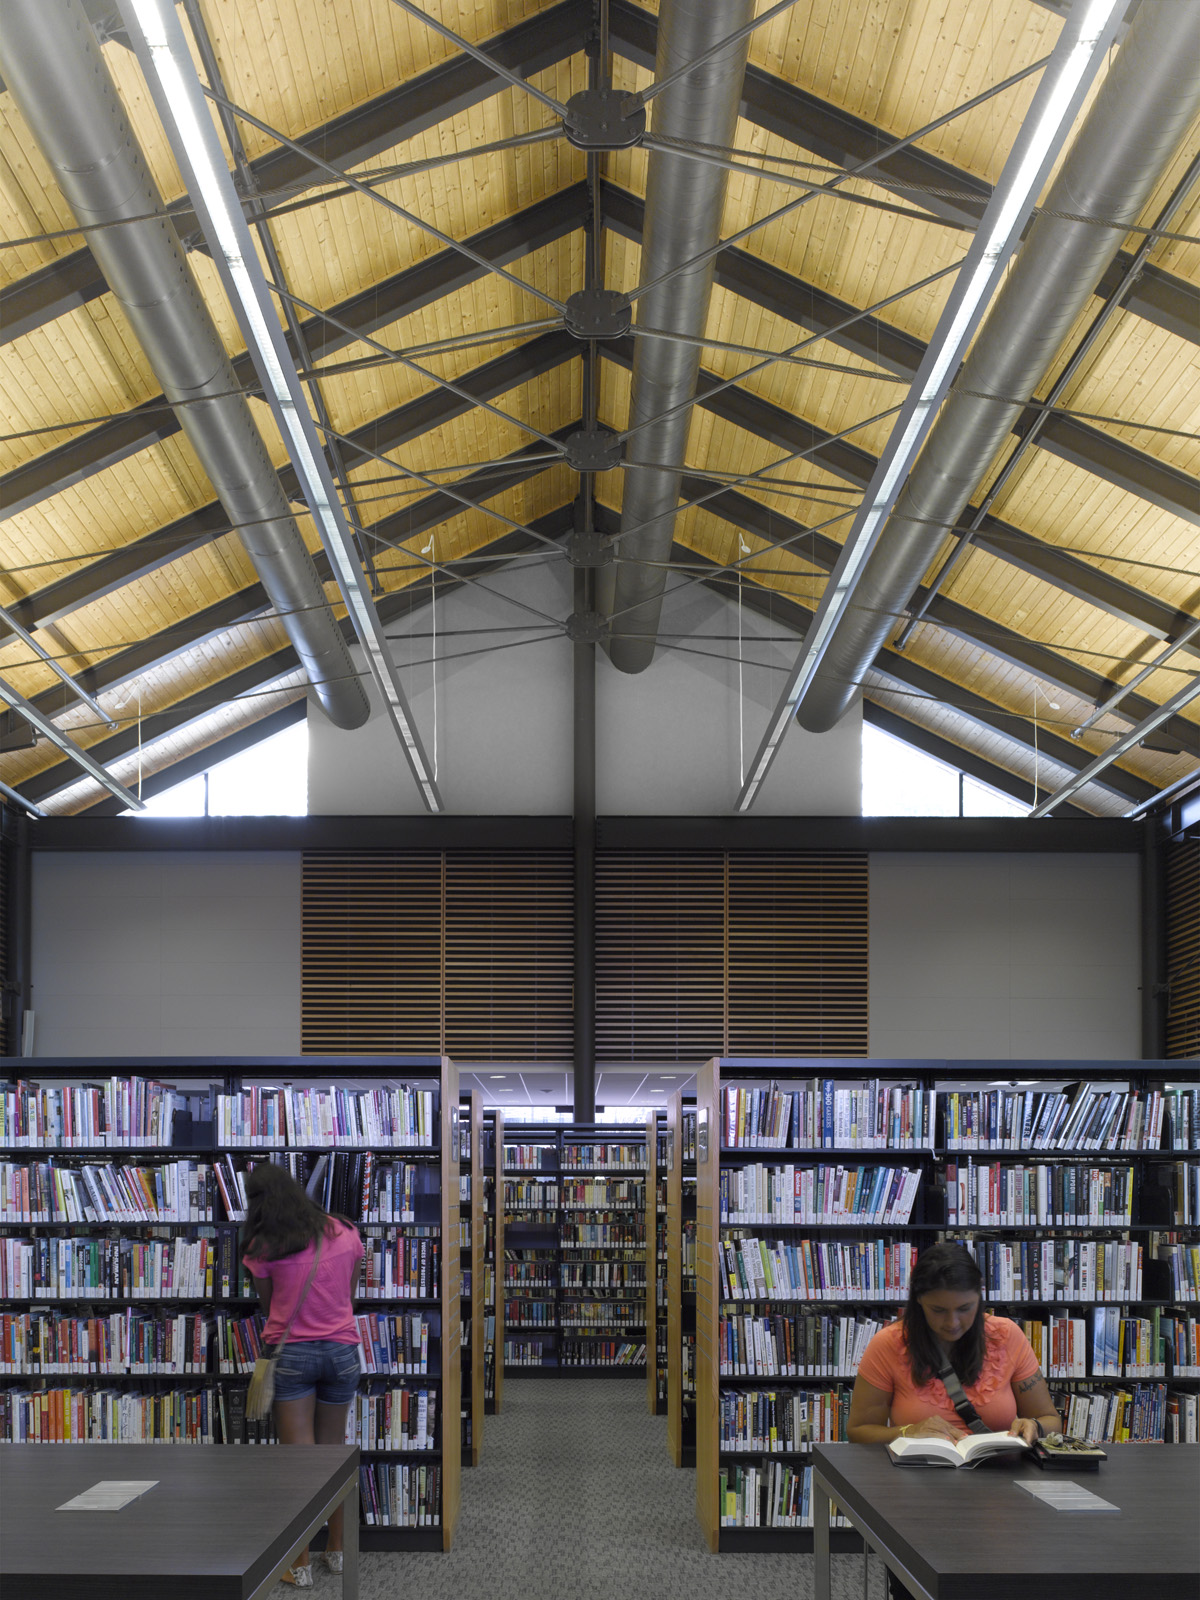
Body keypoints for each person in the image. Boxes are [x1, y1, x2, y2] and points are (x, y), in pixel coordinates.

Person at [847, 1241, 1061, 1598]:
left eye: (965, 1308)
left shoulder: (1007, 1336)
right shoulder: (888, 1346)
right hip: (918, 1502)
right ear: (918, 1302)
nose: (953, 1322)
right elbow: (858, 1432)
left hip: (1002, 1501)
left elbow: (1051, 1419)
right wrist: (907, 1431)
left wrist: (1034, 1427)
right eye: (938, 1310)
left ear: (980, 1297)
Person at [242, 1161, 365, 1589]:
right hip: (343, 1351)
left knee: (299, 1464)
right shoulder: (346, 1231)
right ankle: (339, 1550)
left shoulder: (262, 1245)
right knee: (333, 1455)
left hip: (292, 1355)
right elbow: (348, 1297)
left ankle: (299, 1562)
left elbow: (269, 1306)